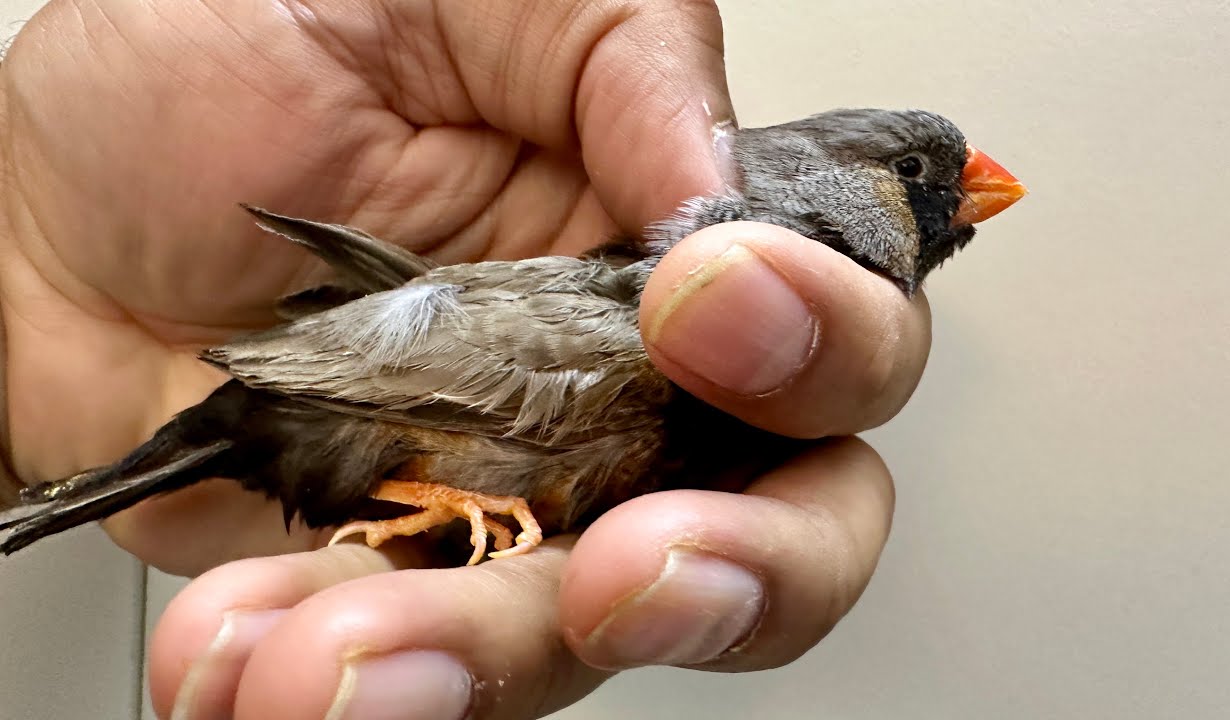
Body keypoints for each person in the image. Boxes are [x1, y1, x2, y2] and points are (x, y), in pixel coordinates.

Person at [0, 2, 930, 718]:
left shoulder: (676, 309)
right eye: (920, 178)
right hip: (309, 403)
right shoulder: (633, 320)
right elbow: (388, 371)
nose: (981, 190)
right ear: (827, 181)